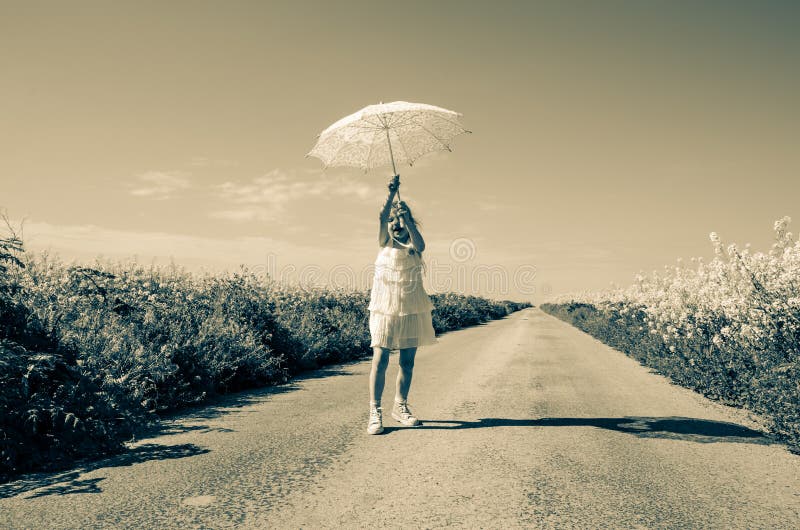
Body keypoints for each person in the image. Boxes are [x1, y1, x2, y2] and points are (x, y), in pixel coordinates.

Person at [366, 174, 437, 435]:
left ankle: (400, 406)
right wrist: (391, 194)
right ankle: (375, 412)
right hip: (384, 309)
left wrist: (407, 218)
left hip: (411, 309)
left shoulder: (413, 247)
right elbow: (381, 216)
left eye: (400, 221)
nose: (395, 225)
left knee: (407, 362)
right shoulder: (384, 243)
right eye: (392, 221)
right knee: (380, 359)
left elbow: (421, 244)